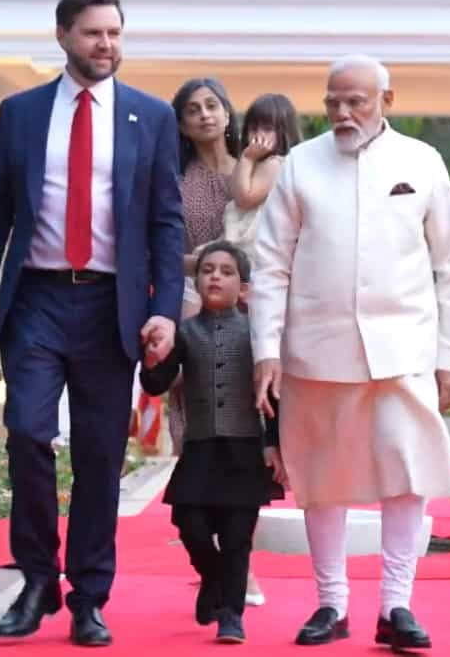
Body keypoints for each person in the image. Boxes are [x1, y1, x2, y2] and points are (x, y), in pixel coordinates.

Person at [0, 0, 184, 647]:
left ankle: (88, 596)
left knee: (97, 455)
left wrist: (164, 311)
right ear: (62, 36)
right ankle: (35, 580)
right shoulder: (22, 113)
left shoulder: (150, 117)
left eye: (114, 33)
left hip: (111, 308)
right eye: (92, 34)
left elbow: (167, 225)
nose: (106, 45)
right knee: (27, 434)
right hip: (36, 301)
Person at [249, 54, 450, 650]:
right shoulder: (300, 164)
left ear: (386, 101)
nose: (344, 113)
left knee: (406, 474)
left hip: (403, 350)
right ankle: (331, 604)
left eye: (357, 101)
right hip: (315, 352)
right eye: (333, 103)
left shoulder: (421, 162)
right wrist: (265, 350)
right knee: (322, 481)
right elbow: (269, 265)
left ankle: (397, 604)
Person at [140, 241, 287, 644]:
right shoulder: (185, 332)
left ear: (243, 289)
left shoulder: (259, 335)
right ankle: (213, 577)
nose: (215, 276)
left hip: (245, 448)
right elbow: (155, 383)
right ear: (197, 282)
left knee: (238, 536)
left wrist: (275, 445)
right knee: (190, 525)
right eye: (207, 270)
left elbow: (275, 395)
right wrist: (152, 358)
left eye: (225, 270)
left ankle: (231, 616)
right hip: (201, 447)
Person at [167, 78, 241, 452]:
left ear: (227, 113)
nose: (205, 115)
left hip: (250, 302)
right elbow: (158, 252)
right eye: (193, 110)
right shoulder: (173, 181)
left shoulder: (256, 173)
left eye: (212, 105)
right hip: (193, 300)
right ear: (181, 125)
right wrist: (198, 265)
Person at [225, 93, 302, 261]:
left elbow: (244, 198)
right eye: (253, 128)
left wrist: (247, 158)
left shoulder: (276, 164)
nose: (257, 135)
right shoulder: (256, 163)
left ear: (284, 131)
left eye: (267, 129)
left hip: (254, 245)